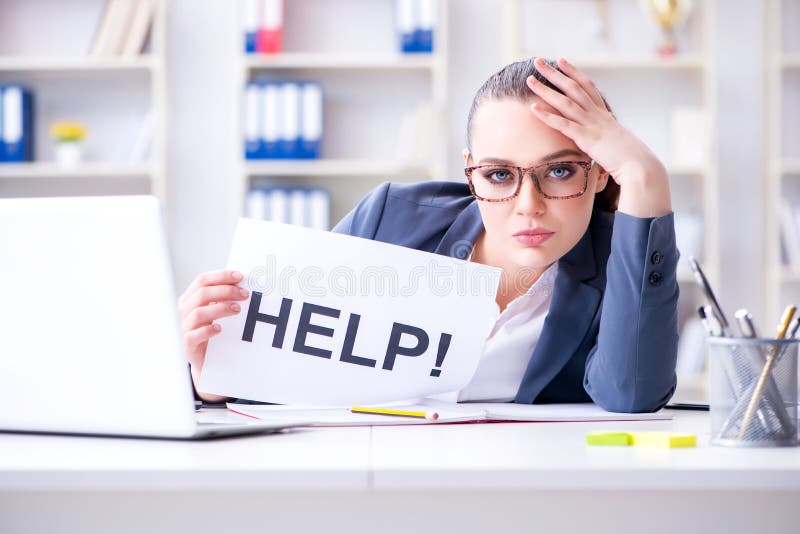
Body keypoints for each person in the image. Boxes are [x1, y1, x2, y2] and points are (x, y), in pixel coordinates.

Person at [178, 57, 679, 413]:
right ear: (471, 174)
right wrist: (216, 375)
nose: (529, 206)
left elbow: (629, 393)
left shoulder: (625, 260)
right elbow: (289, 374)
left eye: (561, 172)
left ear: (599, 174)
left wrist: (642, 172)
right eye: (499, 175)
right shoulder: (390, 220)